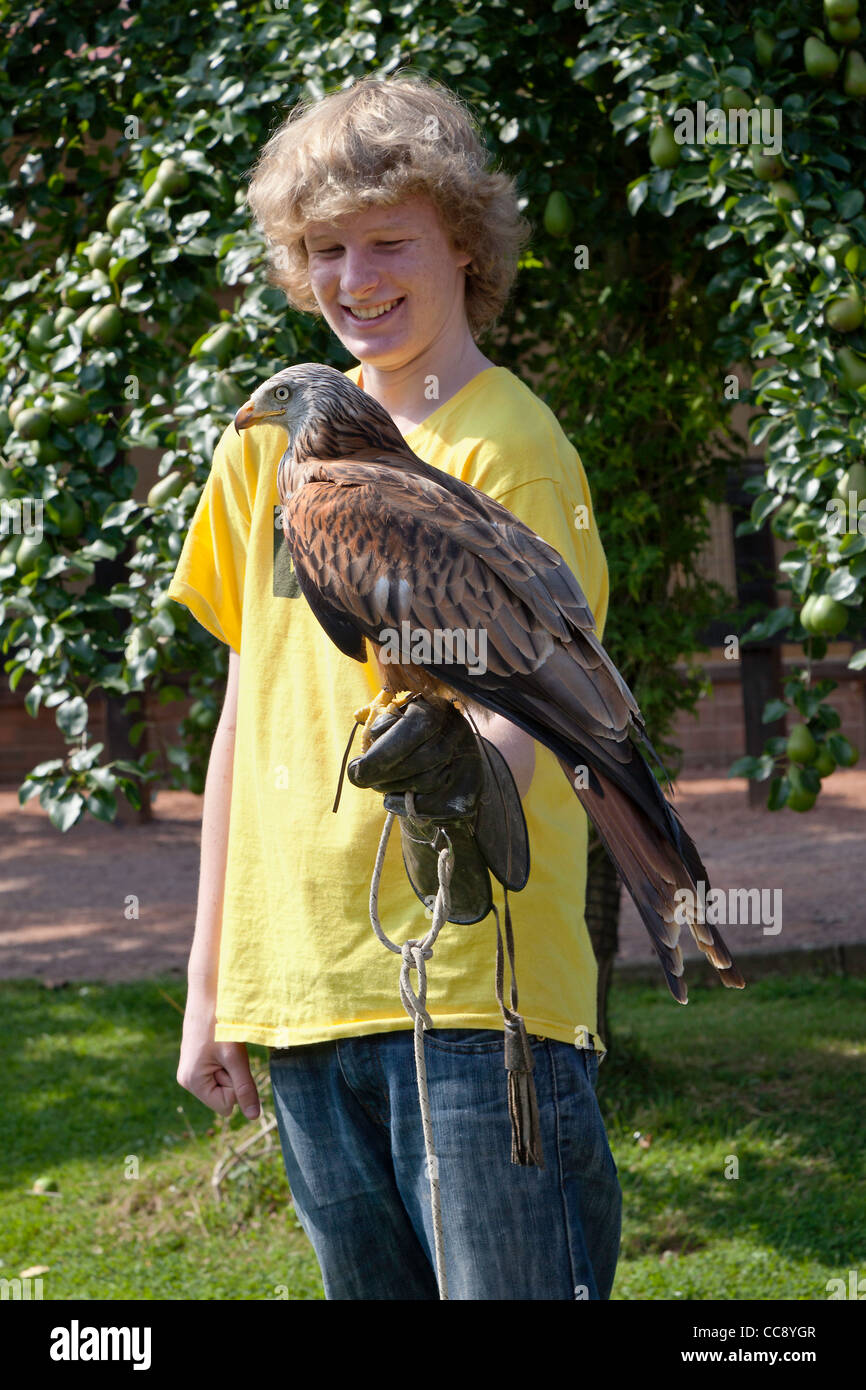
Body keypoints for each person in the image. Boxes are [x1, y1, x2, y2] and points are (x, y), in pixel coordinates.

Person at [171, 71, 622, 1301]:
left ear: (463, 245)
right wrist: (214, 982)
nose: (355, 278)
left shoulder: (507, 449)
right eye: (324, 249)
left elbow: (537, 709)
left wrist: (464, 788)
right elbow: (240, 709)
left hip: (475, 992)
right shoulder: (267, 450)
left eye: (388, 241)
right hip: (303, 986)